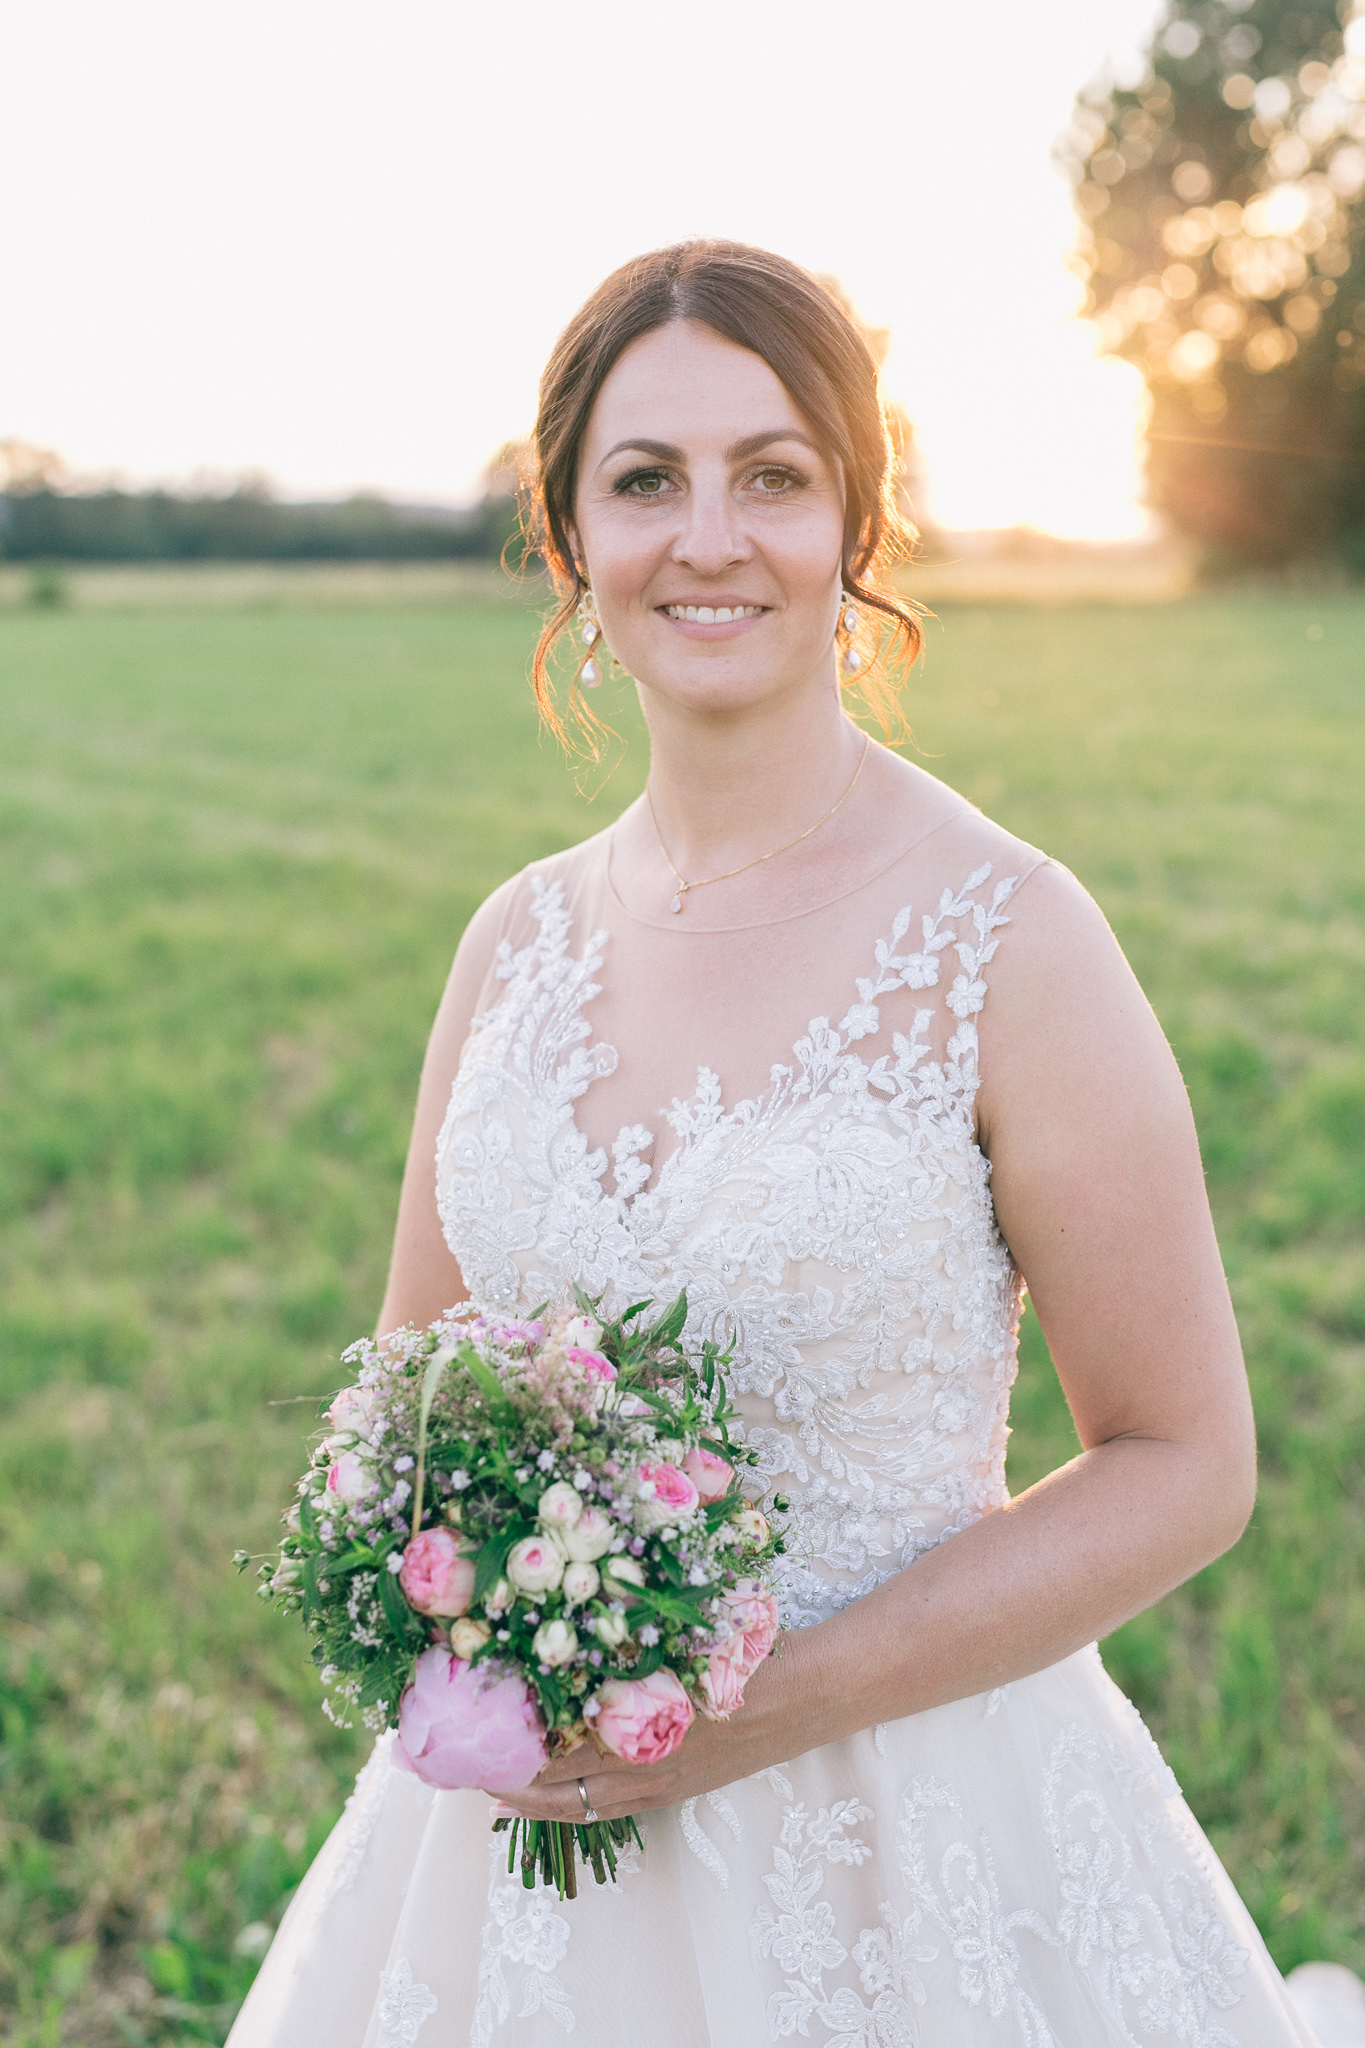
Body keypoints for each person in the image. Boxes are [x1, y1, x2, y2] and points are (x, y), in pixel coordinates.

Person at [228, 240, 1337, 2047]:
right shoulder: (512, 946)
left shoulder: (1007, 937)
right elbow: (413, 1399)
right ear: (575, 542)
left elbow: (1182, 1459)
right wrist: (466, 1623)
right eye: (645, 480)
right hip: (531, 1849)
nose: (710, 535)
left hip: (919, 1821)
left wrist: (764, 1705)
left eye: (774, 475)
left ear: (852, 528)